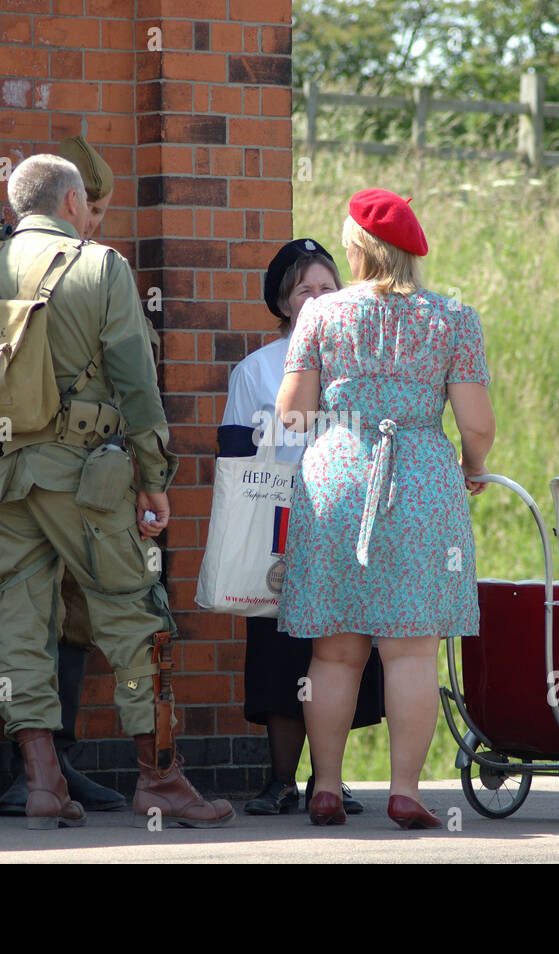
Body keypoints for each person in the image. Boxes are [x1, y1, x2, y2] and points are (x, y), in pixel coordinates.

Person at [0, 153, 234, 829]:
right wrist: (156, 480)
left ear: (22, 207)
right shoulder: (101, 267)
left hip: (0, 479)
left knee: (22, 625)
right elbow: (137, 384)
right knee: (134, 620)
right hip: (84, 478)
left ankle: (44, 783)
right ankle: (159, 778)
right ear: (72, 202)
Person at [276, 188, 495, 829]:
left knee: (333, 653)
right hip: (421, 486)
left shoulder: (320, 314)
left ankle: (325, 785)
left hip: (336, 480)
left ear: (356, 249)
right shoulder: (453, 318)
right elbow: (477, 424)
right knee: (410, 652)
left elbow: (293, 412)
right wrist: (471, 467)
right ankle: (405, 791)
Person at [0, 138, 128, 817]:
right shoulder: (6, 265)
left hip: (85, 469)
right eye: (91, 207)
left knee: (69, 619)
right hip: (34, 470)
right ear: (68, 202)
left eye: (102, 211)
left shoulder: (97, 268)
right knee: (30, 614)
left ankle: (57, 763)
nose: (95, 221)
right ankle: (30, 769)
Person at [220, 238, 384, 816]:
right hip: (279, 525)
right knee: (279, 652)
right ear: (283, 302)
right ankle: (280, 781)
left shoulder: (363, 363)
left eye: (327, 288)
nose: (317, 299)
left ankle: (328, 782)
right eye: (304, 290)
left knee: (340, 648)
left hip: (342, 524)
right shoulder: (255, 370)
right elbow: (235, 460)